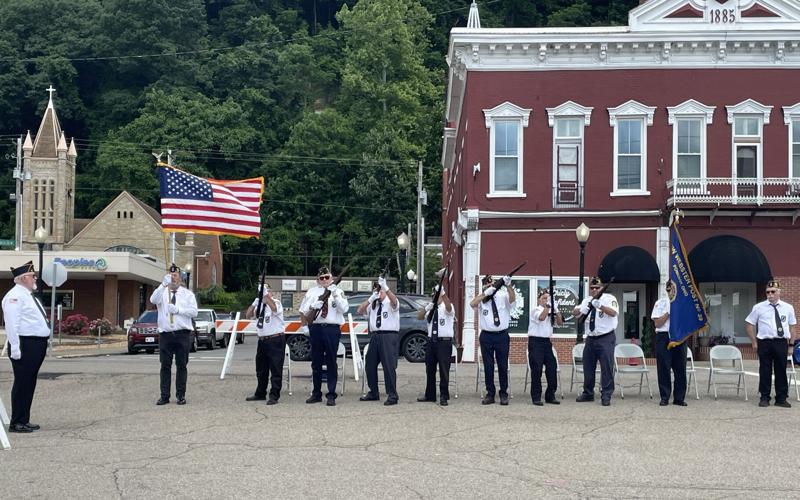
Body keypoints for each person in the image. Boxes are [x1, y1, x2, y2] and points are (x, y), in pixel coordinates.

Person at [2, 261, 50, 433]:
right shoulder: (14, 296)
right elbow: (12, 325)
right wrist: (15, 348)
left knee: (29, 382)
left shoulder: (27, 295)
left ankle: (24, 419)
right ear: (23, 278)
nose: (35, 278)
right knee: (22, 382)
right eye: (32, 276)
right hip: (25, 344)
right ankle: (17, 422)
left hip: (35, 344)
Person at [299, 266, 348, 406]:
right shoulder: (312, 292)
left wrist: (335, 295)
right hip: (317, 328)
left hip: (332, 329)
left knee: (332, 361)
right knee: (316, 362)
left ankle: (331, 394)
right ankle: (316, 393)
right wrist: (314, 307)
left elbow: (344, 309)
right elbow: (304, 310)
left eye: (327, 277)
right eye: (322, 278)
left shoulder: (338, 291)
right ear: (318, 280)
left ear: (332, 278)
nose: (325, 280)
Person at [150, 263, 198, 406]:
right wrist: (162, 285)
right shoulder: (162, 293)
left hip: (182, 334)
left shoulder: (187, 294)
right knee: (165, 365)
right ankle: (164, 396)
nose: (173, 278)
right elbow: (152, 300)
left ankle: (181, 395)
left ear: (180, 278)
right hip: (166, 334)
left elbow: (194, 312)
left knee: (181, 365)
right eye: (170, 276)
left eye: (175, 276)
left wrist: (178, 310)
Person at [745, 279, 797, 408]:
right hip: (765, 342)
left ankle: (781, 398)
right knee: (765, 370)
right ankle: (764, 397)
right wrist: (754, 342)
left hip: (781, 343)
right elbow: (749, 324)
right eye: (768, 292)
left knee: (781, 370)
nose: (770, 294)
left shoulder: (788, 308)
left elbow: (793, 327)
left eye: (773, 291)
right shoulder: (758, 307)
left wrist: (791, 345)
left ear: (779, 292)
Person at [470, 274, 515, 405]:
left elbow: (512, 300)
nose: (491, 287)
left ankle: (503, 393)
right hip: (486, 336)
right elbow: (472, 303)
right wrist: (484, 294)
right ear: (485, 286)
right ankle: (490, 394)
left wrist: (508, 285)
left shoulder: (502, 296)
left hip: (501, 335)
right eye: (488, 285)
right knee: (488, 366)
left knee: (502, 365)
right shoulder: (483, 299)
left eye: (492, 285)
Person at [573, 277, 618, 406]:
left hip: (605, 337)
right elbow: (575, 312)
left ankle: (606, 394)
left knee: (606, 367)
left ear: (602, 288)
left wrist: (600, 306)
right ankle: (588, 393)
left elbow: (613, 313)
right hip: (591, 338)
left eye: (597, 288)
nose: (594, 290)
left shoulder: (609, 299)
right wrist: (580, 310)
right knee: (588, 367)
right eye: (592, 288)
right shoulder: (587, 300)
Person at [357, 276, 401, 405]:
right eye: (376, 291)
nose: (378, 293)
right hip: (375, 336)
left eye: (380, 291)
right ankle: (373, 392)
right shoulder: (373, 304)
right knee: (370, 365)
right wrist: (372, 298)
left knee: (388, 366)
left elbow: (394, 301)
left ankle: (392, 395)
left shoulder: (390, 302)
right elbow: (360, 310)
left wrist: (386, 288)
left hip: (388, 336)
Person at [245, 280, 286, 405]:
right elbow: (248, 315)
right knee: (261, 369)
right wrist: (254, 303)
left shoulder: (276, 302)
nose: (265, 293)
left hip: (275, 339)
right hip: (262, 340)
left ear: (271, 292)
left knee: (275, 369)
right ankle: (260, 393)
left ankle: (274, 395)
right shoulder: (260, 305)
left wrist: (266, 297)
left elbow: (274, 309)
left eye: (267, 290)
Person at [416, 285, 455, 406]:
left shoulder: (447, 307)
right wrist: (428, 307)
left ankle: (444, 396)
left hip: (444, 342)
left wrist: (443, 293)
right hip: (431, 341)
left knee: (444, 370)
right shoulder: (431, 308)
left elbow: (449, 307)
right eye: (434, 296)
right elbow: (419, 316)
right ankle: (430, 395)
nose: (435, 298)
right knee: (430, 369)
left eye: (437, 296)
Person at [651, 281, 687, 407]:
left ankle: (679, 398)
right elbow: (657, 323)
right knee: (663, 368)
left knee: (680, 368)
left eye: (673, 289)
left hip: (679, 336)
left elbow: (688, 323)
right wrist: (669, 312)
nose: (671, 291)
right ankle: (664, 397)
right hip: (663, 336)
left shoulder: (683, 302)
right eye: (668, 289)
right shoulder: (660, 303)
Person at [527, 289, 563, 406]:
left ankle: (550, 395)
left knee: (552, 368)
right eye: (544, 298)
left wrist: (556, 310)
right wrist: (548, 306)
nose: (546, 300)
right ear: (539, 299)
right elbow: (541, 318)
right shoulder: (535, 310)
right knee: (537, 370)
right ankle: (536, 396)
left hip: (547, 342)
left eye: (548, 298)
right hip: (535, 342)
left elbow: (560, 323)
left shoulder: (551, 309)